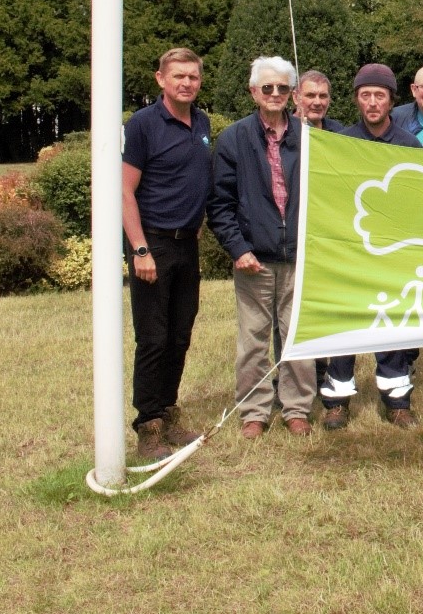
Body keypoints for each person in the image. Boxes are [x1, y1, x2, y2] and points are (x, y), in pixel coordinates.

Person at [208, 56, 317, 439]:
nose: (275, 94)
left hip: (299, 257)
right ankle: (254, 410)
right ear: (254, 92)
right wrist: (238, 249)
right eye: (267, 88)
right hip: (254, 258)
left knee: (297, 338)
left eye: (282, 88)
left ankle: (297, 408)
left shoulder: (308, 137)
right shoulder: (234, 138)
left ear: (292, 93)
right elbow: (219, 203)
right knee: (253, 340)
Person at [318, 64, 423, 431]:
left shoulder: (409, 144)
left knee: (393, 325)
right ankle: (337, 401)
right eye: (366, 94)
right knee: (346, 323)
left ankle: (397, 401)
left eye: (380, 95)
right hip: (350, 249)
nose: (373, 101)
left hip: (393, 251)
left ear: (391, 100)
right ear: (357, 99)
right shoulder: (341, 142)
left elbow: (417, 198)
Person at [120, 48, 213, 459]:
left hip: (186, 244)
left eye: (192, 76)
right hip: (152, 242)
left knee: (180, 334)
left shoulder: (202, 123)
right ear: (161, 79)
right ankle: (148, 424)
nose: (186, 83)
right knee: (153, 338)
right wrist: (140, 249)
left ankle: (169, 410)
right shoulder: (142, 125)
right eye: (178, 76)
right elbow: (124, 191)